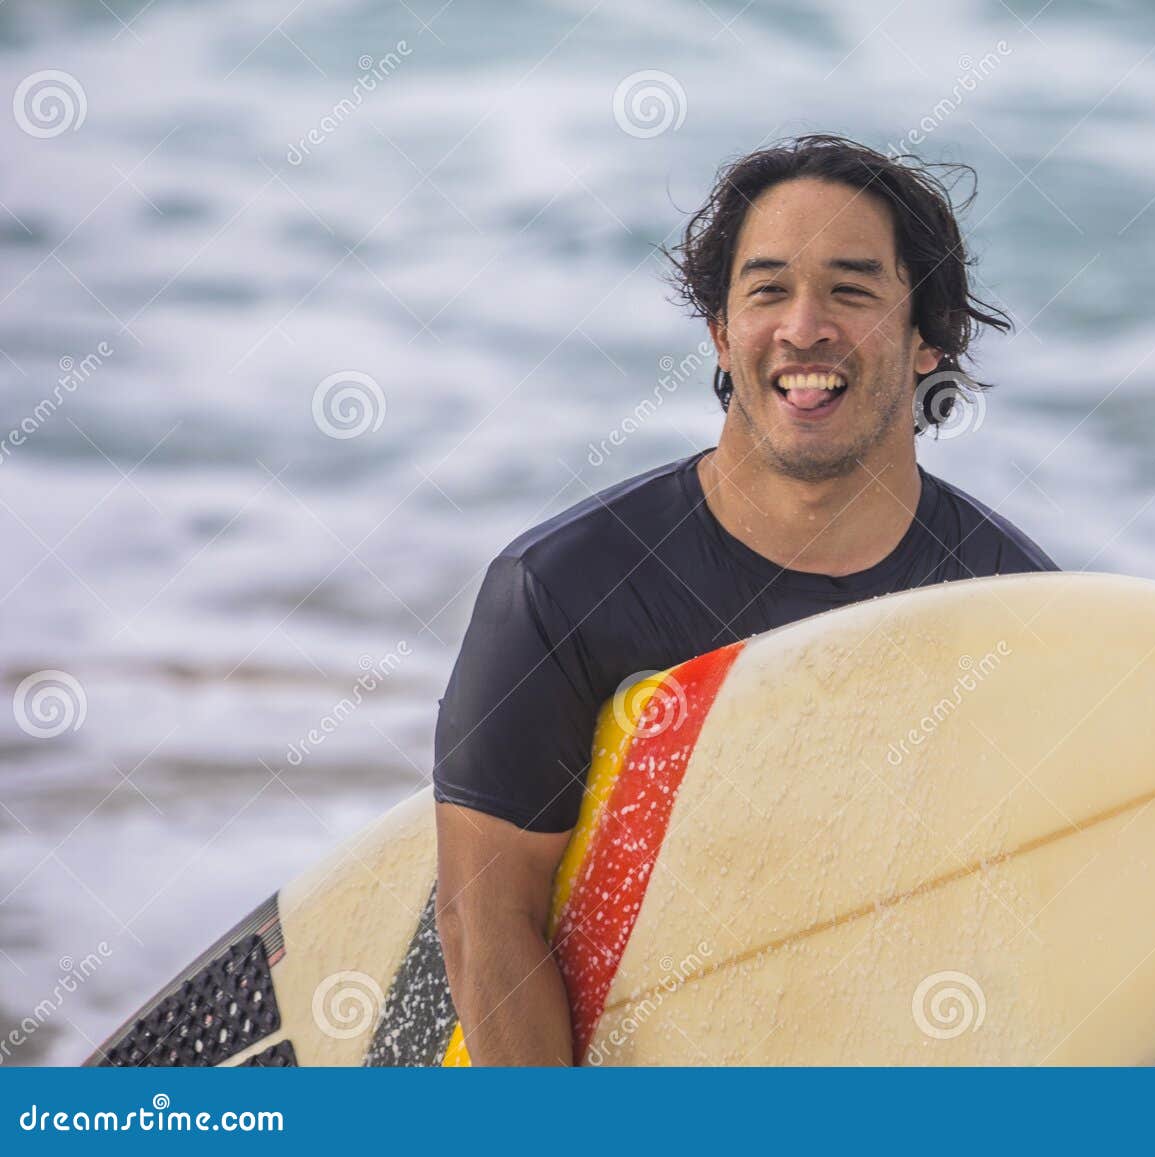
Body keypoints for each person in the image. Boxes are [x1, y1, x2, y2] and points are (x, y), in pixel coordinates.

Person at [432, 133, 1057, 1065]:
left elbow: (1052, 929)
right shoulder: (563, 591)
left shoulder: (1016, 613)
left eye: (851, 289)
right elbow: (487, 920)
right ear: (723, 332)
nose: (804, 327)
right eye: (767, 290)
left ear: (929, 334)